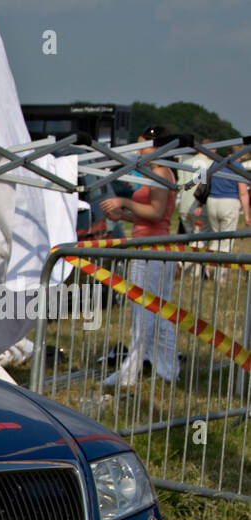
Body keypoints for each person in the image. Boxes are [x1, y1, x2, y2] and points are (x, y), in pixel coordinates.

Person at [99, 125, 179, 386]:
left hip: (151, 251)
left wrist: (125, 203)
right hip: (151, 246)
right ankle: (166, 371)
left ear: (155, 146)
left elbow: (156, 212)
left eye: (141, 145)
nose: (138, 151)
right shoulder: (158, 171)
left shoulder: (159, 172)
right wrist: (124, 216)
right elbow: (152, 216)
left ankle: (131, 373)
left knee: (145, 314)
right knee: (154, 312)